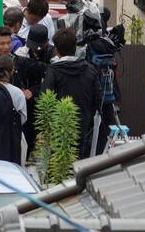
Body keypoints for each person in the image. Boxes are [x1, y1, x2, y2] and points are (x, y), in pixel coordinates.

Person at [40, 28, 103, 158]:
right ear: (75, 48)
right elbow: (98, 99)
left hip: (57, 127)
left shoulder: (53, 71)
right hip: (82, 124)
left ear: (56, 50)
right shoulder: (90, 70)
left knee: (57, 164)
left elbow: (44, 99)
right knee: (77, 161)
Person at [13, 22, 51, 158]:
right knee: (27, 134)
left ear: (46, 42)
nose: (36, 50)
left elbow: (51, 77)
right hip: (26, 102)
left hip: (46, 101)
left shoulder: (52, 54)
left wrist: (33, 90)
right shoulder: (21, 54)